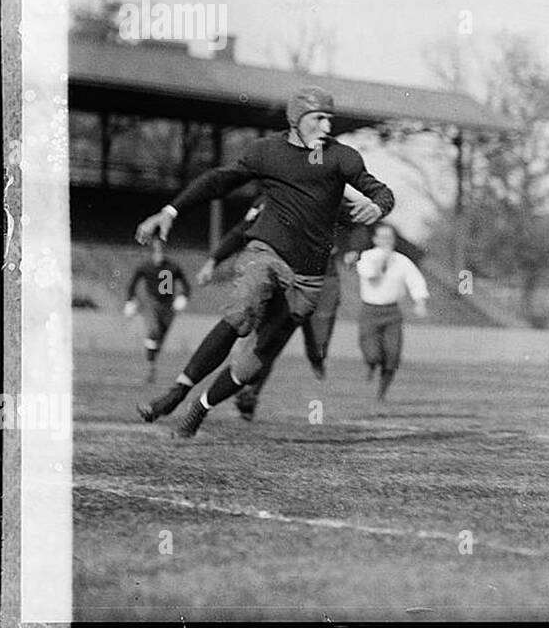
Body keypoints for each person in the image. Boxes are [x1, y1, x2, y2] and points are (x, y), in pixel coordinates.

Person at [133, 87, 394, 438]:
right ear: (296, 119)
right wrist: (170, 210)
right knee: (241, 312)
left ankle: (199, 410)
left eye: (330, 119)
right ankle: (176, 392)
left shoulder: (341, 158)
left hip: (309, 279)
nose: (326, 127)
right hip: (267, 255)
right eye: (318, 118)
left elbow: (380, 190)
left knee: (252, 363)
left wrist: (377, 206)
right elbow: (218, 180)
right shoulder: (267, 152)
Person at [197, 196, 367, 419]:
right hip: (287, 277)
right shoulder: (271, 196)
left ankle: (316, 357)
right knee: (267, 342)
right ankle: (248, 395)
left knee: (319, 343)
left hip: (325, 280)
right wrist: (215, 259)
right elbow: (244, 229)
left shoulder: (333, 195)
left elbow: (360, 224)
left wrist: (355, 248)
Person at [356, 222, 429, 400]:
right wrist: (383, 259)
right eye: (382, 237)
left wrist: (420, 302)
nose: (386, 241)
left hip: (392, 313)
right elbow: (370, 275)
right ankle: (372, 365)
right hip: (370, 311)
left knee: (393, 355)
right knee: (372, 354)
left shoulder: (402, 261)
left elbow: (415, 281)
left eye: (389, 238)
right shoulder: (367, 257)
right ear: (375, 239)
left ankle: (382, 392)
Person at [122, 236, 190, 384]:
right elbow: (132, 284)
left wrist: (183, 297)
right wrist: (130, 300)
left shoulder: (173, 267)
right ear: (151, 252)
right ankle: (150, 367)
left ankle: (152, 364)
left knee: (160, 338)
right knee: (153, 331)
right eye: (156, 250)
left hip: (168, 305)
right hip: (151, 302)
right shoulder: (145, 267)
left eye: (161, 250)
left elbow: (186, 285)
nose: (159, 254)